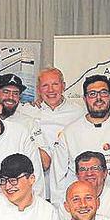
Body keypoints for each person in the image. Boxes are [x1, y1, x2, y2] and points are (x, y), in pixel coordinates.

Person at [52, 75, 110, 210]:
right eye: (92, 94)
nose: (99, 98)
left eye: (103, 93)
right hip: (80, 209)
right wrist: (65, 212)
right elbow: (57, 179)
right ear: (84, 99)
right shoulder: (69, 133)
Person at [18, 67, 84, 201]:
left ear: (63, 86)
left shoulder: (78, 112)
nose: (51, 90)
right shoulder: (26, 111)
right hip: (38, 184)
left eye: (55, 84)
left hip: (69, 183)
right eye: (45, 86)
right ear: (38, 90)